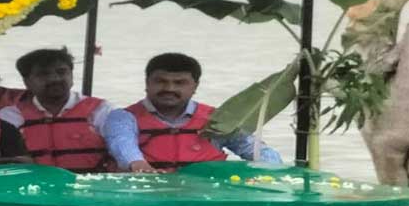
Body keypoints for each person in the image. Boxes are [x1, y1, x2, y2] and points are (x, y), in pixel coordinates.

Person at [103, 52, 282, 173]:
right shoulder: (123, 118)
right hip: (145, 194)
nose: (169, 88)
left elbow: (257, 150)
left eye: (179, 83)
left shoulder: (218, 119)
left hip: (205, 196)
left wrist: (270, 171)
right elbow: (122, 144)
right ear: (147, 83)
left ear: (195, 86)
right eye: (160, 81)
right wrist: (140, 166)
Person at [0, 48, 113, 172]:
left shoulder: (100, 110)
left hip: (90, 186)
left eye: (61, 72)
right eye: (44, 74)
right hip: (34, 187)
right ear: (27, 82)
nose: (55, 79)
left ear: (72, 75)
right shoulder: (10, 116)